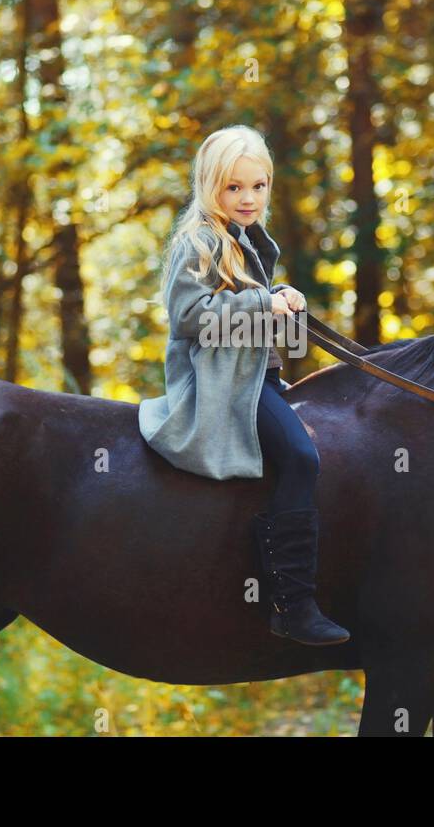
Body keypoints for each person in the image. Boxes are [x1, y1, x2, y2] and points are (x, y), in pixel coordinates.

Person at [137, 125, 349, 646]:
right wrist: (262, 303)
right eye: (234, 188)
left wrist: (281, 296)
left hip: (255, 375)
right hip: (222, 385)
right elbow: (191, 317)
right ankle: (292, 603)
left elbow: (242, 305)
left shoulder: (247, 238)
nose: (248, 198)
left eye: (258, 186)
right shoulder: (199, 241)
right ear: (211, 187)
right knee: (302, 457)